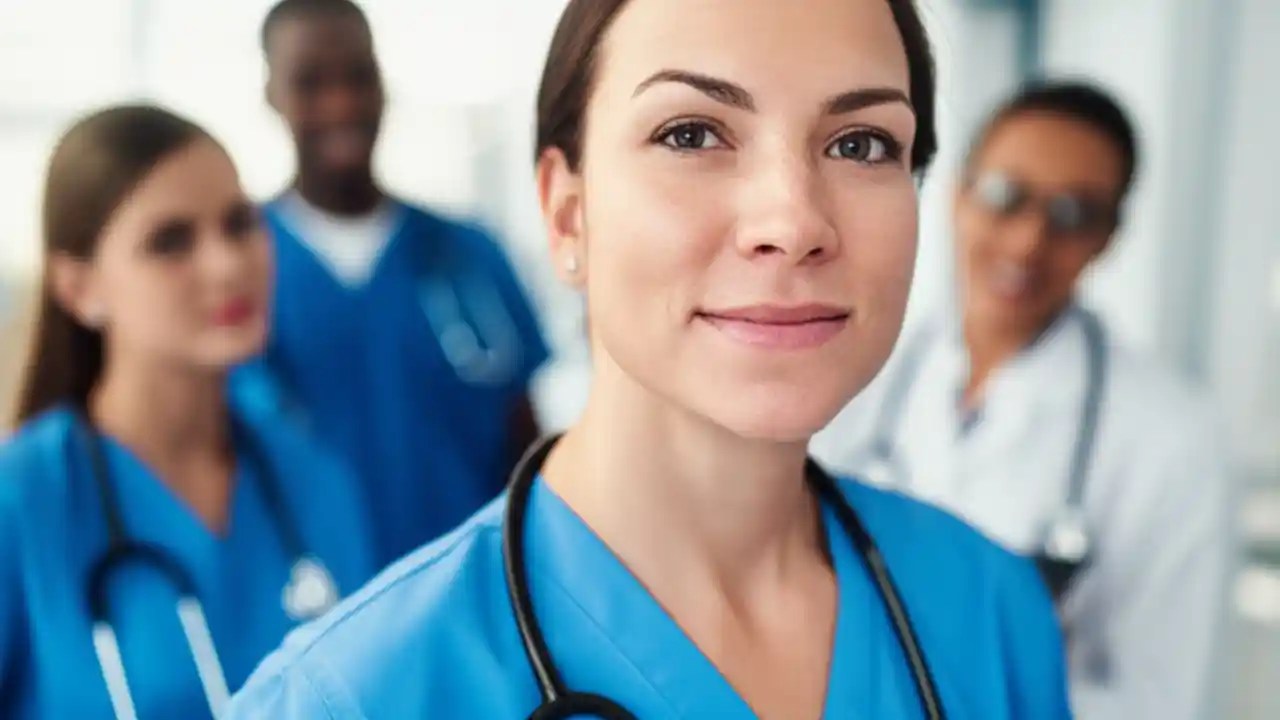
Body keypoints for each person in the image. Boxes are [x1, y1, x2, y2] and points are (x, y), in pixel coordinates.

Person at [228, 0, 1073, 717]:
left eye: (860, 145)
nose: (794, 220)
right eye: (693, 132)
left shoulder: (991, 615)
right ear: (567, 216)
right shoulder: (350, 696)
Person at [812, 81, 1234, 719]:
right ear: (958, 194)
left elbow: (1162, 699)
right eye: (1006, 196)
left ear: (1109, 236)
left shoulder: (1170, 438)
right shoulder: (854, 365)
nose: (1027, 242)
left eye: (1072, 215)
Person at [0, 105, 375, 718]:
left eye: (239, 224)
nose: (228, 264)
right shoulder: (22, 501)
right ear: (79, 288)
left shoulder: (313, 477)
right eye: (170, 241)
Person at [250, 0, 550, 567]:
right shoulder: (238, 267)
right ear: (272, 94)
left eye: (358, 76)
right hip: (306, 611)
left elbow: (526, 446)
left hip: (472, 597)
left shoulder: (470, 253)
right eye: (311, 82)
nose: (341, 103)